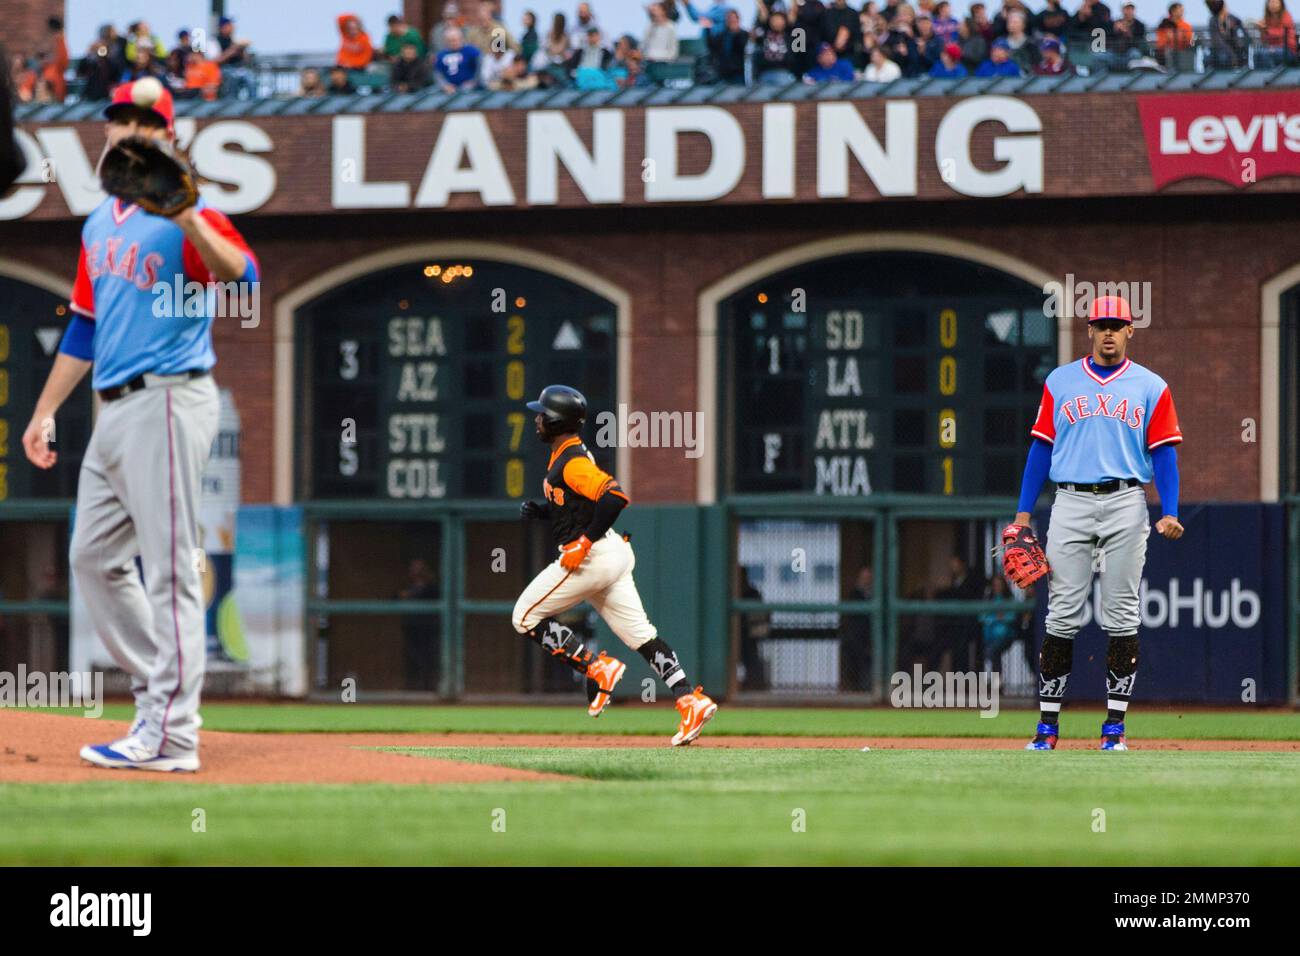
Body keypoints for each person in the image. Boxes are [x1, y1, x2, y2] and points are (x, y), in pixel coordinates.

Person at [23, 79, 259, 773]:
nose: (129, 129)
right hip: (112, 408)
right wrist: (42, 412)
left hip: (168, 399)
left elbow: (243, 280)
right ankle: (158, 695)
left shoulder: (192, 212)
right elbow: (85, 328)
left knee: (170, 573)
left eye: (145, 120)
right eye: (120, 118)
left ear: (168, 134)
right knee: (91, 559)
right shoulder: (100, 223)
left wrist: (187, 217)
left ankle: (173, 737)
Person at [1013, 295, 1183, 752]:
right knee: (1062, 613)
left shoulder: (1151, 386)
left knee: (1122, 613)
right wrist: (1023, 513)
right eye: (1101, 324)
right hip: (1068, 500)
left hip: (1127, 499)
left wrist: (1170, 509)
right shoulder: (1061, 381)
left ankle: (1114, 729)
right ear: (1089, 330)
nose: (1109, 332)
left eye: (1117, 325)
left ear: (1130, 331)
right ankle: (1047, 729)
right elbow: (1040, 448)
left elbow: (1165, 452)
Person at [515, 386, 718, 745]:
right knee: (642, 636)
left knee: (524, 616)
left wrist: (584, 541)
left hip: (592, 558)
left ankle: (597, 668)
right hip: (612, 554)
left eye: (542, 414)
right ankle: (690, 698)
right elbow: (582, 505)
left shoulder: (574, 461)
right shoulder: (567, 455)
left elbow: (614, 496)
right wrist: (545, 511)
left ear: (556, 421)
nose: (537, 420)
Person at [398, 558, 440, 691]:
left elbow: (435, 596)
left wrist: (413, 594)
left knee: (428, 658)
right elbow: (393, 597)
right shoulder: (407, 585)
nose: (415, 572)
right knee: (412, 658)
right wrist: (405, 595)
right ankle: (412, 687)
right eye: (413, 568)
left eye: (419, 568)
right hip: (411, 627)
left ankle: (428, 687)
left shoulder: (432, 587)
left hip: (428, 627)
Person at [707, 9, 749, 83]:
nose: (731, 20)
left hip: (739, 73)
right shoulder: (721, 35)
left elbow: (742, 46)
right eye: (729, 18)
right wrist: (708, 29)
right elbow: (712, 47)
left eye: (733, 18)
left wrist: (736, 33)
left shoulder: (744, 34)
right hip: (723, 73)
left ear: (738, 19)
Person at [435, 26, 481, 91]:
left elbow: (480, 67)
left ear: (461, 39)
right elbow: (438, 73)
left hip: (469, 89)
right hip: (449, 90)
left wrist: (474, 82)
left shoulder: (471, 51)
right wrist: (445, 85)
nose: (453, 43)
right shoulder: (441, 55)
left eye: (455, 40)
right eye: (449, 41)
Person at [1206, 0, 1250, 67]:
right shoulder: (1213, 20)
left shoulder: (1232, 18)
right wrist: (1231, 55)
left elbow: (1244, 31)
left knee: (1241, 55)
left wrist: (1242, 44)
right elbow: (1218, 41)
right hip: (1222, 52)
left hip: (1235, 49)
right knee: (1223, 56)